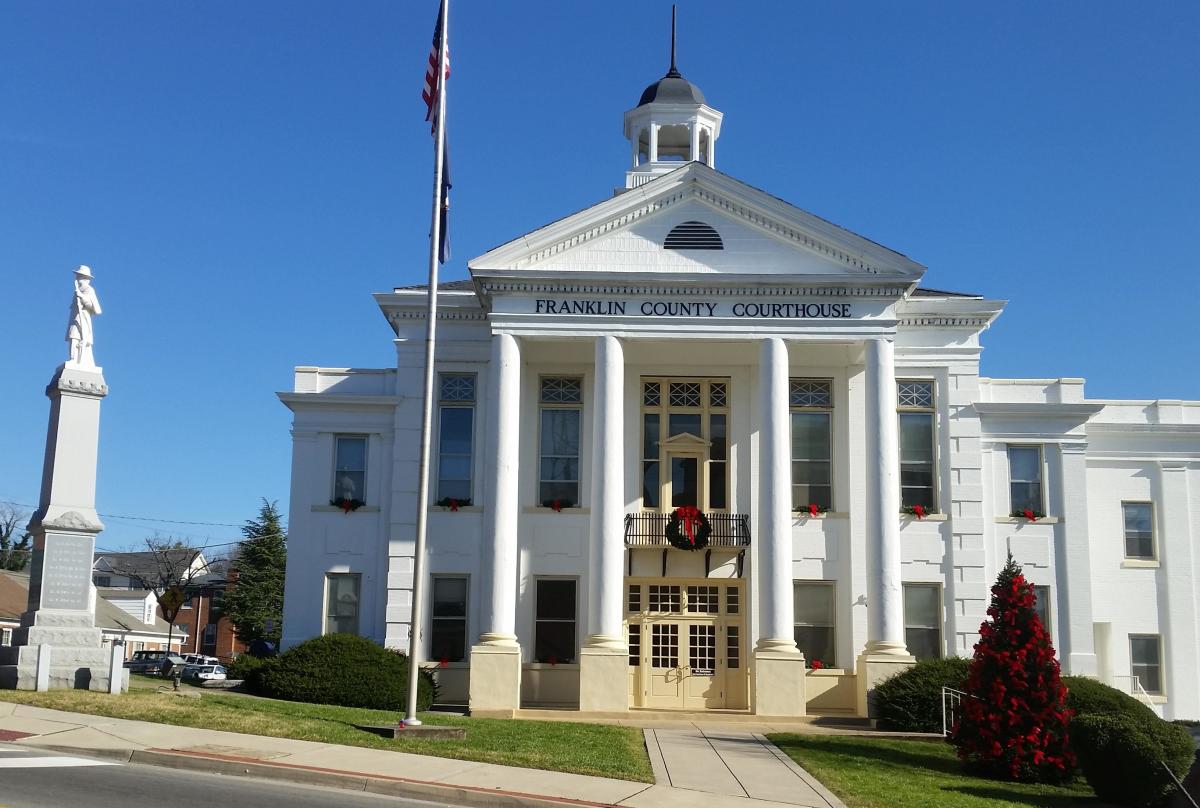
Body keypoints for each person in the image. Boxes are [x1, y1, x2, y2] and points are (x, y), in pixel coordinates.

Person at [67, 265, 102, 366]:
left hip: (83, 318)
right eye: (77, 276)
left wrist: (82, 297)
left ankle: (77, 359)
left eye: (79, 276)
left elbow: (95, 308)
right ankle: (73, 358)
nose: (77, 279)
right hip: (74, 318)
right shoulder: (77, 290)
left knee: (77, 337)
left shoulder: (89, 290)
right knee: (72, 336)